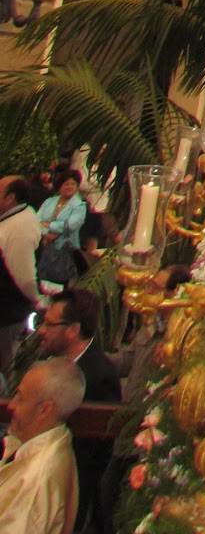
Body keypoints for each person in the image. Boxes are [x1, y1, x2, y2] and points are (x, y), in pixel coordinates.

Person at [36, 290, 119, 533]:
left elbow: (97, 450)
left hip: (68, 490)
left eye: (49, 324)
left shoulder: (99, 376)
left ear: (72, 330)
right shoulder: (53, 364)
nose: (41, 330)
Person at [0, 356, 86, 534]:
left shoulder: (35, 482)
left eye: (20, 398)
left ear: (44, 410)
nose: (11, 406)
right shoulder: (59, 439)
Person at [0, 177, 40, 380]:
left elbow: (24, 279)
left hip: (7, 313)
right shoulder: (15, 218)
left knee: (4, 368)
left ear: (11, 198)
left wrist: (37, 300)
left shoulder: (19, 227)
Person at [35, 175, 86, 289]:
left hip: (65, 250)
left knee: (60, 285)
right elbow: (37, 219)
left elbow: (70, 225)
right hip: (45, 248)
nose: (70, 186)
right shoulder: (49, 201)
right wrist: (45, 233)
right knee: (42, 283)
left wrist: (48, 225)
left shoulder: (79, 206)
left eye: (73, 184)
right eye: (66, 184)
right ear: (59, 187)